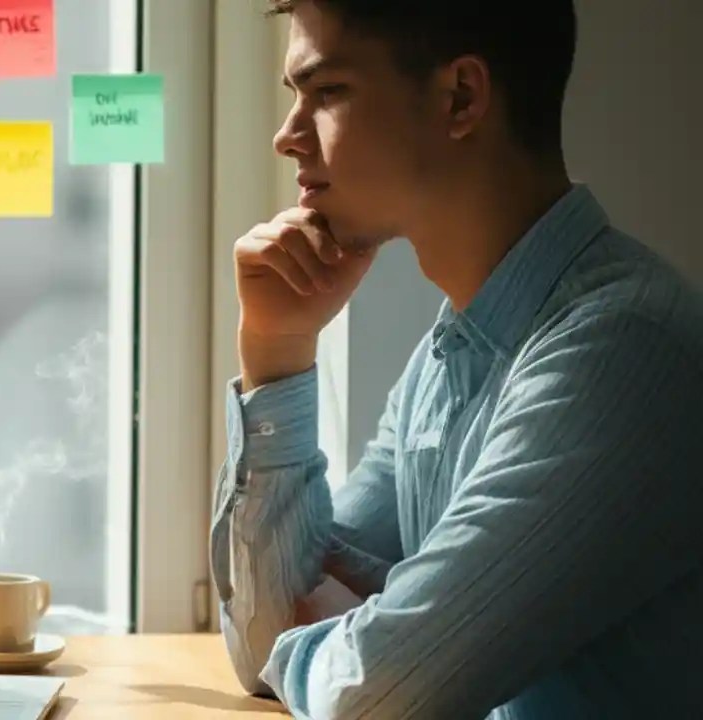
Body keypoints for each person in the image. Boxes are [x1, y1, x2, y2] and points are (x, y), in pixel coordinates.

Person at [209, 0, 703, 718]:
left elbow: (377, 693)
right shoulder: (456, 349)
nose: (287, 137)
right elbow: (273, 623)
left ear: (460, 98)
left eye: (328, 92)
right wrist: (277, 352)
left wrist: (347, 635)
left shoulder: (618, 348)